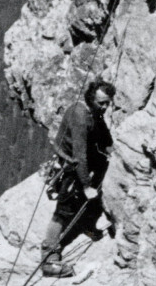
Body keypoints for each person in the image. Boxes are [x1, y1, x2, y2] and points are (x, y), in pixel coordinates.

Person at [40, 77, 115, 273]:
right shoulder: (80, 117)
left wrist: (110, 146)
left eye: (108, 103)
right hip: (71, 164)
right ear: (91, 100)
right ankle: (48, 257)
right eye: (102, 103)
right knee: (64, 209)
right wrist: (87, 185)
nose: (105, 107)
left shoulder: (93, 112)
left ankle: (85, 223)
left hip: (85, 158)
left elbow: (101, 129)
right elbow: (79, 156)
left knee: (83, 198)